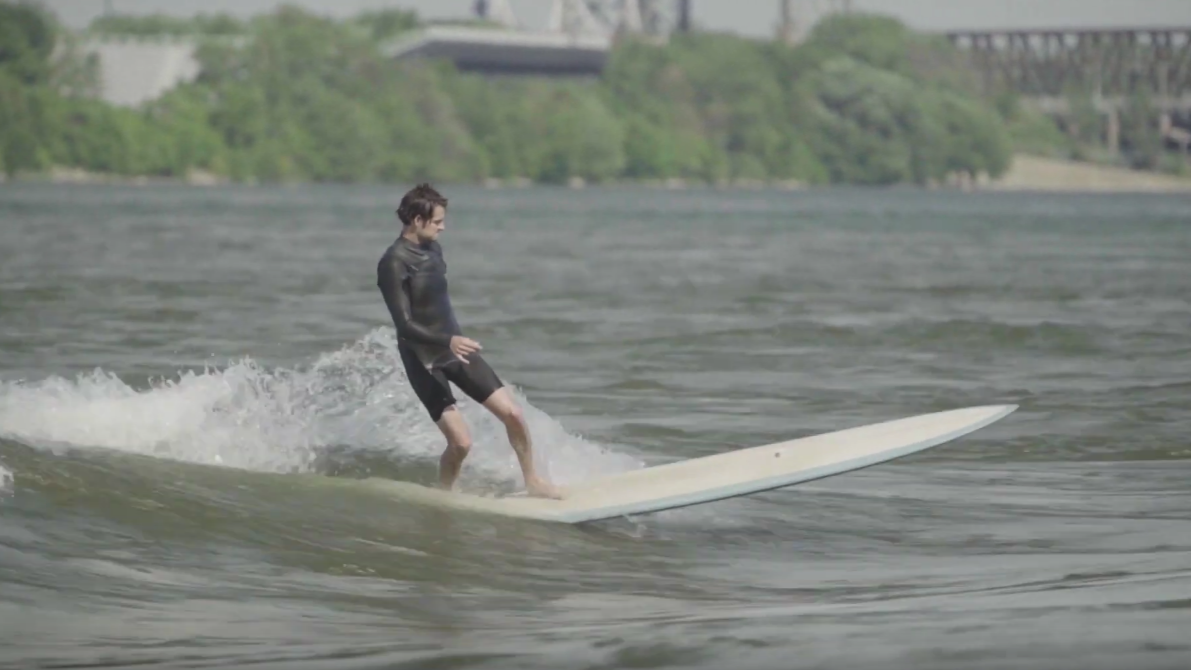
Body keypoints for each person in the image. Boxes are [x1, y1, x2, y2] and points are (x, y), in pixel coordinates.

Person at [377, 183, 562, 499]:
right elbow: (404, 326)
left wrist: (451, 342)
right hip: (424, 359)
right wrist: (447, 340)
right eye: (436, 221)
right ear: (416, 220)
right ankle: (445, 495)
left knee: (513, 415)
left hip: (455, 349)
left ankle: (532, 480)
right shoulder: (393, 262)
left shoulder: (433, 249)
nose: (443, 227)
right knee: (461, 443)